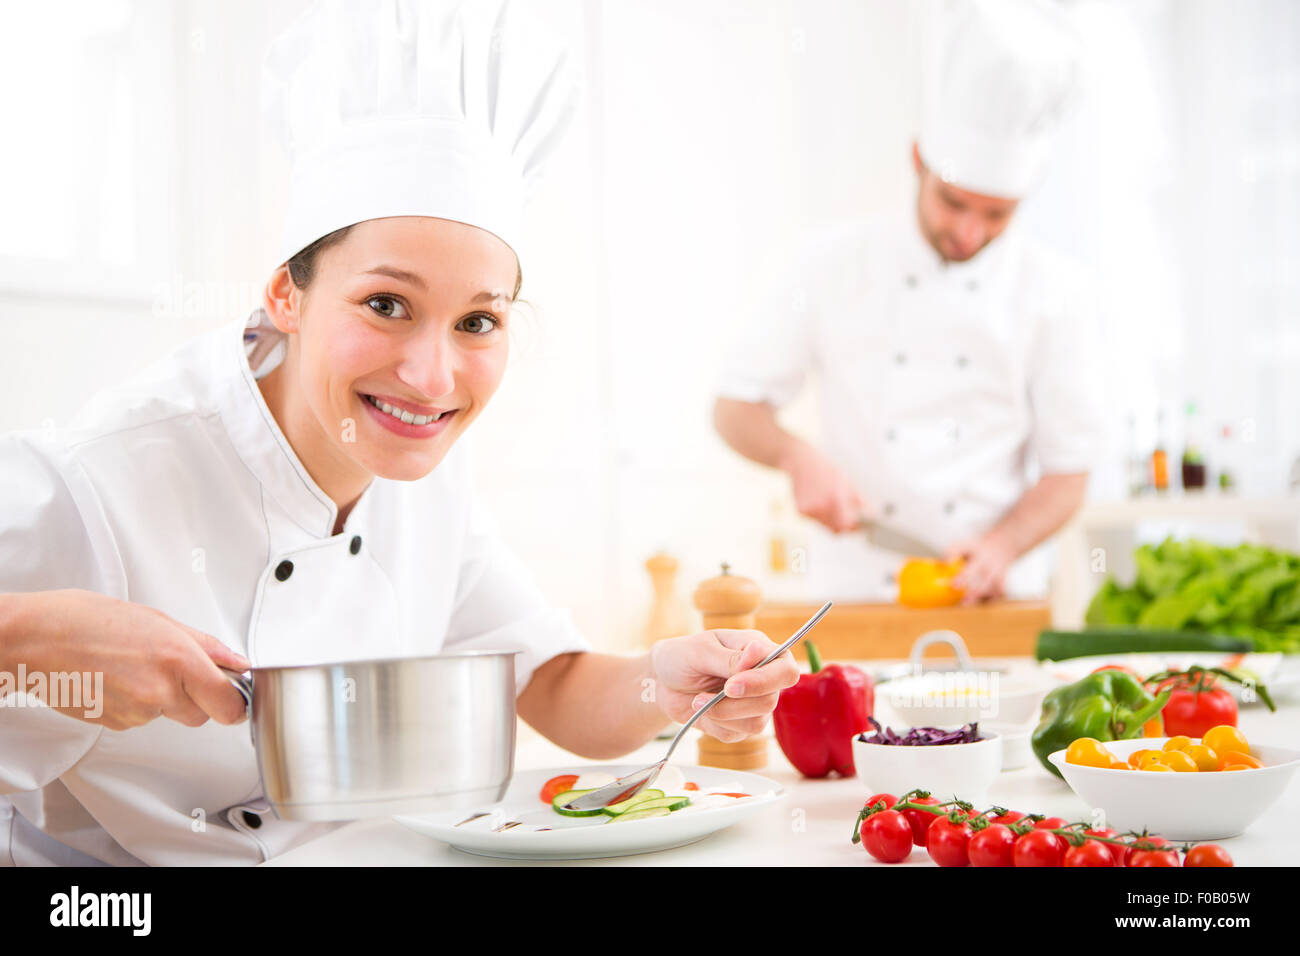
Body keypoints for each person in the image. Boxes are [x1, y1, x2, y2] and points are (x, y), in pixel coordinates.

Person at [0, 0, 797, 866]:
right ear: (286, 295)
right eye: (387, 305)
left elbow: (554, 685)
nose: (431, 377)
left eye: (478, 322)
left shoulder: (424, 477)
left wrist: (666, 678)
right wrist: (22, 639)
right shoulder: (102, 476)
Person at [713, 0, 1106, 604]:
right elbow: (735, 407)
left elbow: (1068, 471)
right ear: (918, 160)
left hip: (991, 600)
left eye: (996, 214)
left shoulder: (1056, 291)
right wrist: (796, 457)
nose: (970, 232)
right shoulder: (828, 264)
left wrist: (1002, 544)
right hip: (856, 596)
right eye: (953, 202)